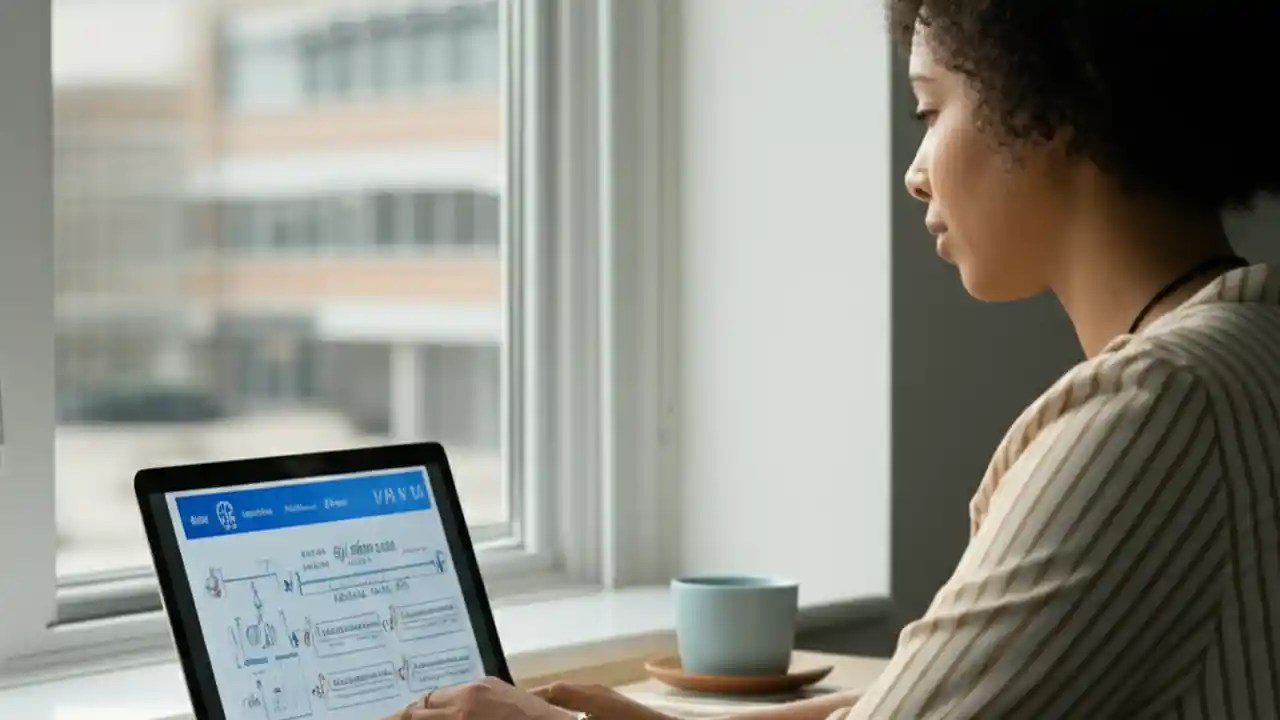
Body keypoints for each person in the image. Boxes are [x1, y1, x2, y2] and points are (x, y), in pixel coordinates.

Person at [388, 0, 1280, 717]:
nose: (916, 172)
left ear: (1051, 106)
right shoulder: (1248, 346)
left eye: (931, 109)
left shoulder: (1153, 411)